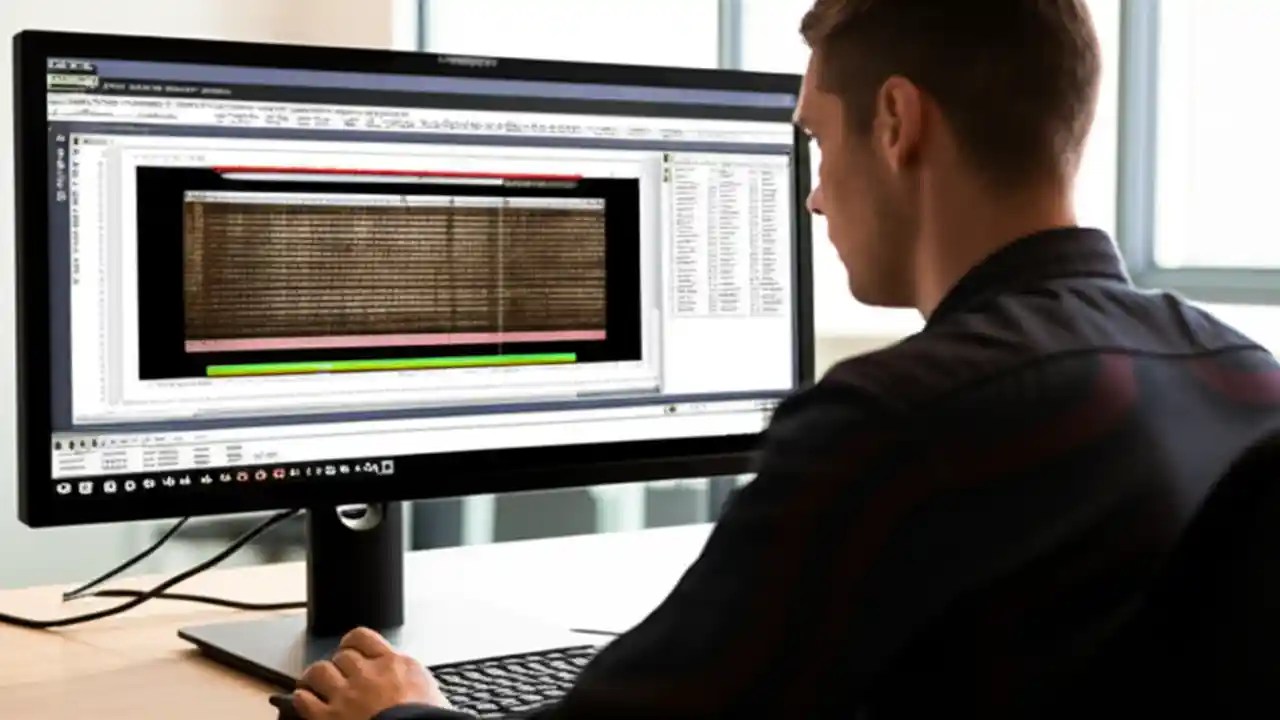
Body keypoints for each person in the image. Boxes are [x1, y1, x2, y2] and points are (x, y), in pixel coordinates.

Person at [290, 1, 1280, 718]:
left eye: (812, 138)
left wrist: (400, 712)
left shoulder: (898, 423)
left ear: (894, 122)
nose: (809, 197)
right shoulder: (1243, 379)